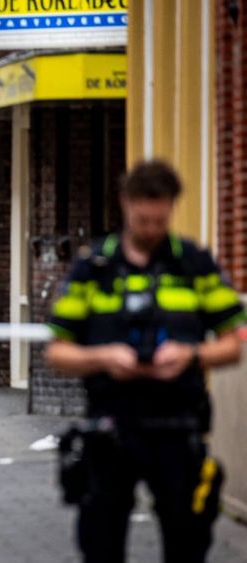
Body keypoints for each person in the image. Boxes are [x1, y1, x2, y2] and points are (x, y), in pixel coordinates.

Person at [45, 160, 244, 563]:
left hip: (178, 427)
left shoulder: (194, 266)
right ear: (125, 204)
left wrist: (191, 355)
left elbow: (233, 343)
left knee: (187, 543)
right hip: (111, 428)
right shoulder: (94, 268)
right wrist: (103, 357)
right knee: (101, 545)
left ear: (172, 208)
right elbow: (56, 351)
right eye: (142, 219)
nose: (151, 228)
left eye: (159, 219)